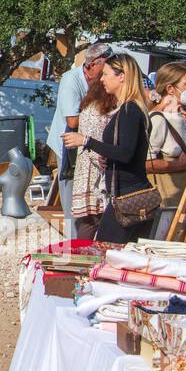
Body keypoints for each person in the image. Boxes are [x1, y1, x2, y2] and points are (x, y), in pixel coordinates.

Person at [62, 53, 152, 244]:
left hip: (128, 196)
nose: (101, 79)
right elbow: (124, 151)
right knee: (121, 257)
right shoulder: (129, 109)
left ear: (122, 76)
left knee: (105, 253)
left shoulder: (130, 110)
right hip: (127, 194)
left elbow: (126, 153)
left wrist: (86, 141)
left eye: (106, 74)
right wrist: (108, 156)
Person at [46, 42, 111, 238]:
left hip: (91, 146)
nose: (109, 69)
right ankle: (73, 245)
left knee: (92, 201)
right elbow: (72, 120)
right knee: (72, 201)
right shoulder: (71, 80)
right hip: (70, 148)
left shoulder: (101, 81)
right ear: (92, 64)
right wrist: (99, 115)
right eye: (106, 65)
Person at [146, 62, 186, 209]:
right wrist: (180, 165)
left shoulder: (176, 116)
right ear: (170, 89)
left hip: (181, 200)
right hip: (167, 201)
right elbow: (145, 163)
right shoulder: (158, 119)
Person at [70, 75, 116, 240]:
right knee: (92, 221)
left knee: (90, 221)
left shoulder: (90, 107)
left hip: (87, 170)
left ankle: (82, 256)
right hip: (94, 173)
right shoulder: (99, 111)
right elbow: (94, 142)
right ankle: (81, 257)